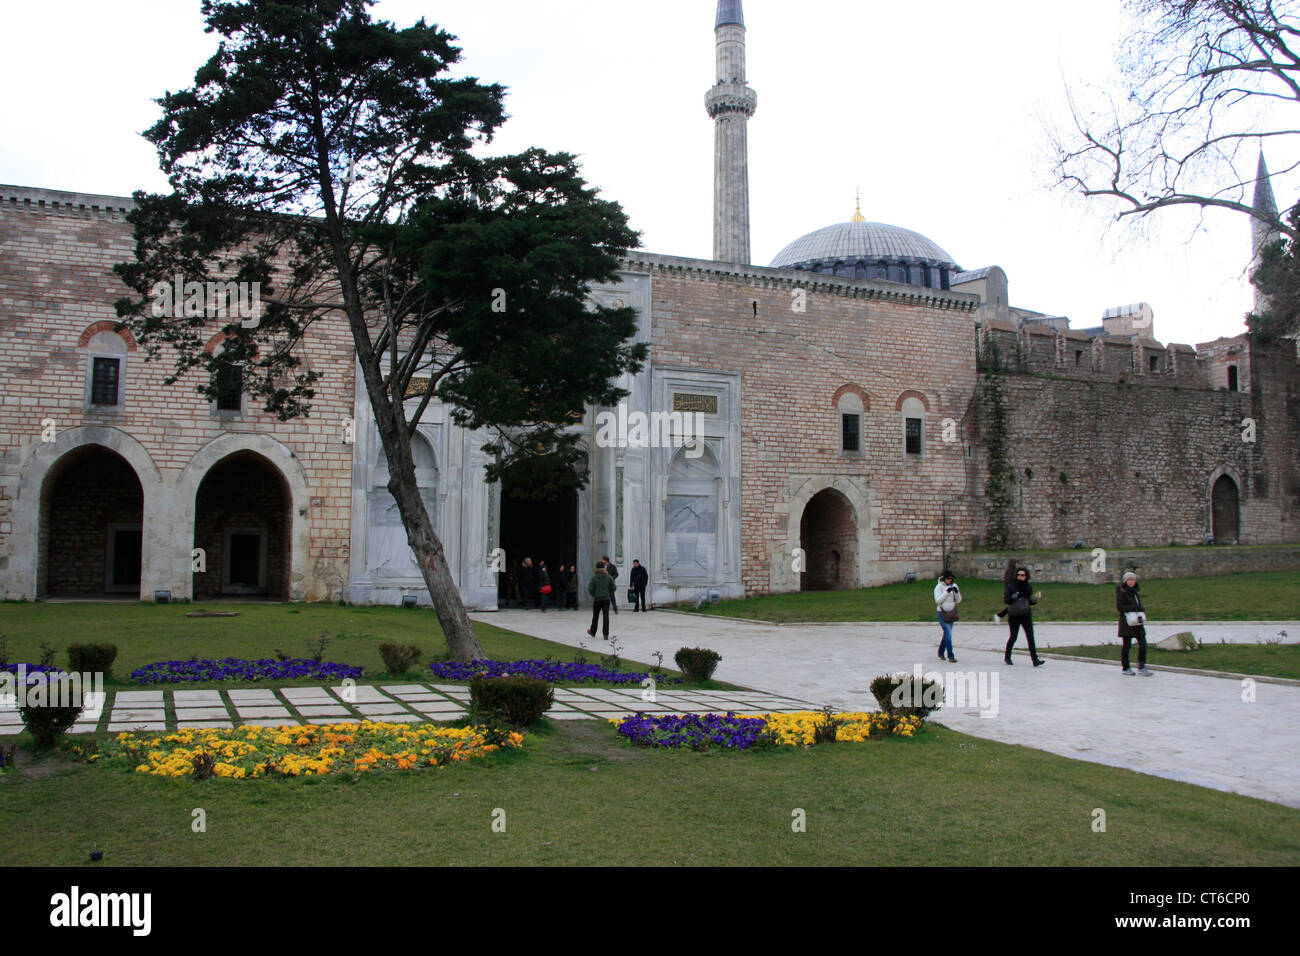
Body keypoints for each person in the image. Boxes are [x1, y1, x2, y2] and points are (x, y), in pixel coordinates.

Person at [1004, 564, 1045, 666]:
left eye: (1023, 575)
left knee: (1030, 636)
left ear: (1026, 576)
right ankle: (1007, 657)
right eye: (1019, 575)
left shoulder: (1028, 587)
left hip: (1026, 614)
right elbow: (1006, 600)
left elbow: (1028, 601)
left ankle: (1035, 659)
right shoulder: (1011, 586)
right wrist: (1013, 598)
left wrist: (1033, 601)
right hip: (1014, 615)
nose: (1020, 577)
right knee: (1013, 637)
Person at [1117, 571, 1153, 676]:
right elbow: (1120, 607)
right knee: (1127, 645)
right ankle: (1126, 667)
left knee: (1143, 644)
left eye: (1133, 579)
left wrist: (1141, 609)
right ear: (1125, 581)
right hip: (1127, 622)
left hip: (1137, 621)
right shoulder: (1122, 592)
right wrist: (1134, 608)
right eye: (1129, 579)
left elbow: (1139, 605)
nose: (1131, 581)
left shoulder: (1136, 592)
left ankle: (1142, 666)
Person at [934, 569, 961, 662]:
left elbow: (958, 600)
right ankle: (951, 656)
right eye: (948, 579)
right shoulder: (939, 587)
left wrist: (956, 592)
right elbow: (938, 601)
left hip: (951, 613)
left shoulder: (954, 585)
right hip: (942, 613)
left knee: (947, 634)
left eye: (951, 579)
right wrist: (946, 592)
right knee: (948, 633)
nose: (950, 580)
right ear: (944, 579)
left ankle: (940, 652)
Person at [587, 560, 616, 639]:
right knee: (606, 616)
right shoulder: (608, 577)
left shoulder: (594, 578)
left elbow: (590, 589)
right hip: (606, 599)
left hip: (597, 599)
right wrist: (608, 594)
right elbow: (613, 588)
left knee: (595, 616)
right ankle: (605, 634)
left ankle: (593, 632)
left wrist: (594, 595)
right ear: (604, 567)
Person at [992, 558, 1019, 622]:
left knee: (1015, 606)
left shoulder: (1013, 571)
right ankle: (999, 615)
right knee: (1014, 606)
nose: (1018, 565)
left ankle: (1003, 616)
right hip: (1011, 592)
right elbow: (1010, 583)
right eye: (1017, 563)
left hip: (1013, 592)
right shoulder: (1011, 572)